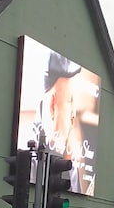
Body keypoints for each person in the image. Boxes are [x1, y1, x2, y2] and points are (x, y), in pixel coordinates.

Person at [36, 52, 83, 193]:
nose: (74, 114)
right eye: (69, 101)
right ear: (52, 106)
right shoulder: (32, 162)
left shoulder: (72, 168)